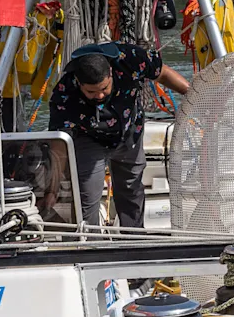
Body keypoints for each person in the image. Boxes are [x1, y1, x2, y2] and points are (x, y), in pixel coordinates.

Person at [48, 42, 191, 230]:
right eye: (91, 92)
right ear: (78, 82)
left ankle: (135, 239)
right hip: (88, 138)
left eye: (104, 88)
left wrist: (194, 96)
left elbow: (161, 72)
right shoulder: (64, 94)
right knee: (87, 194)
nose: (99, 95)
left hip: (129, 131)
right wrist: (52, 187)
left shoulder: (131, 59)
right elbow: (58, 146)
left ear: (110, 73)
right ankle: (89, 243)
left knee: (131, 187)